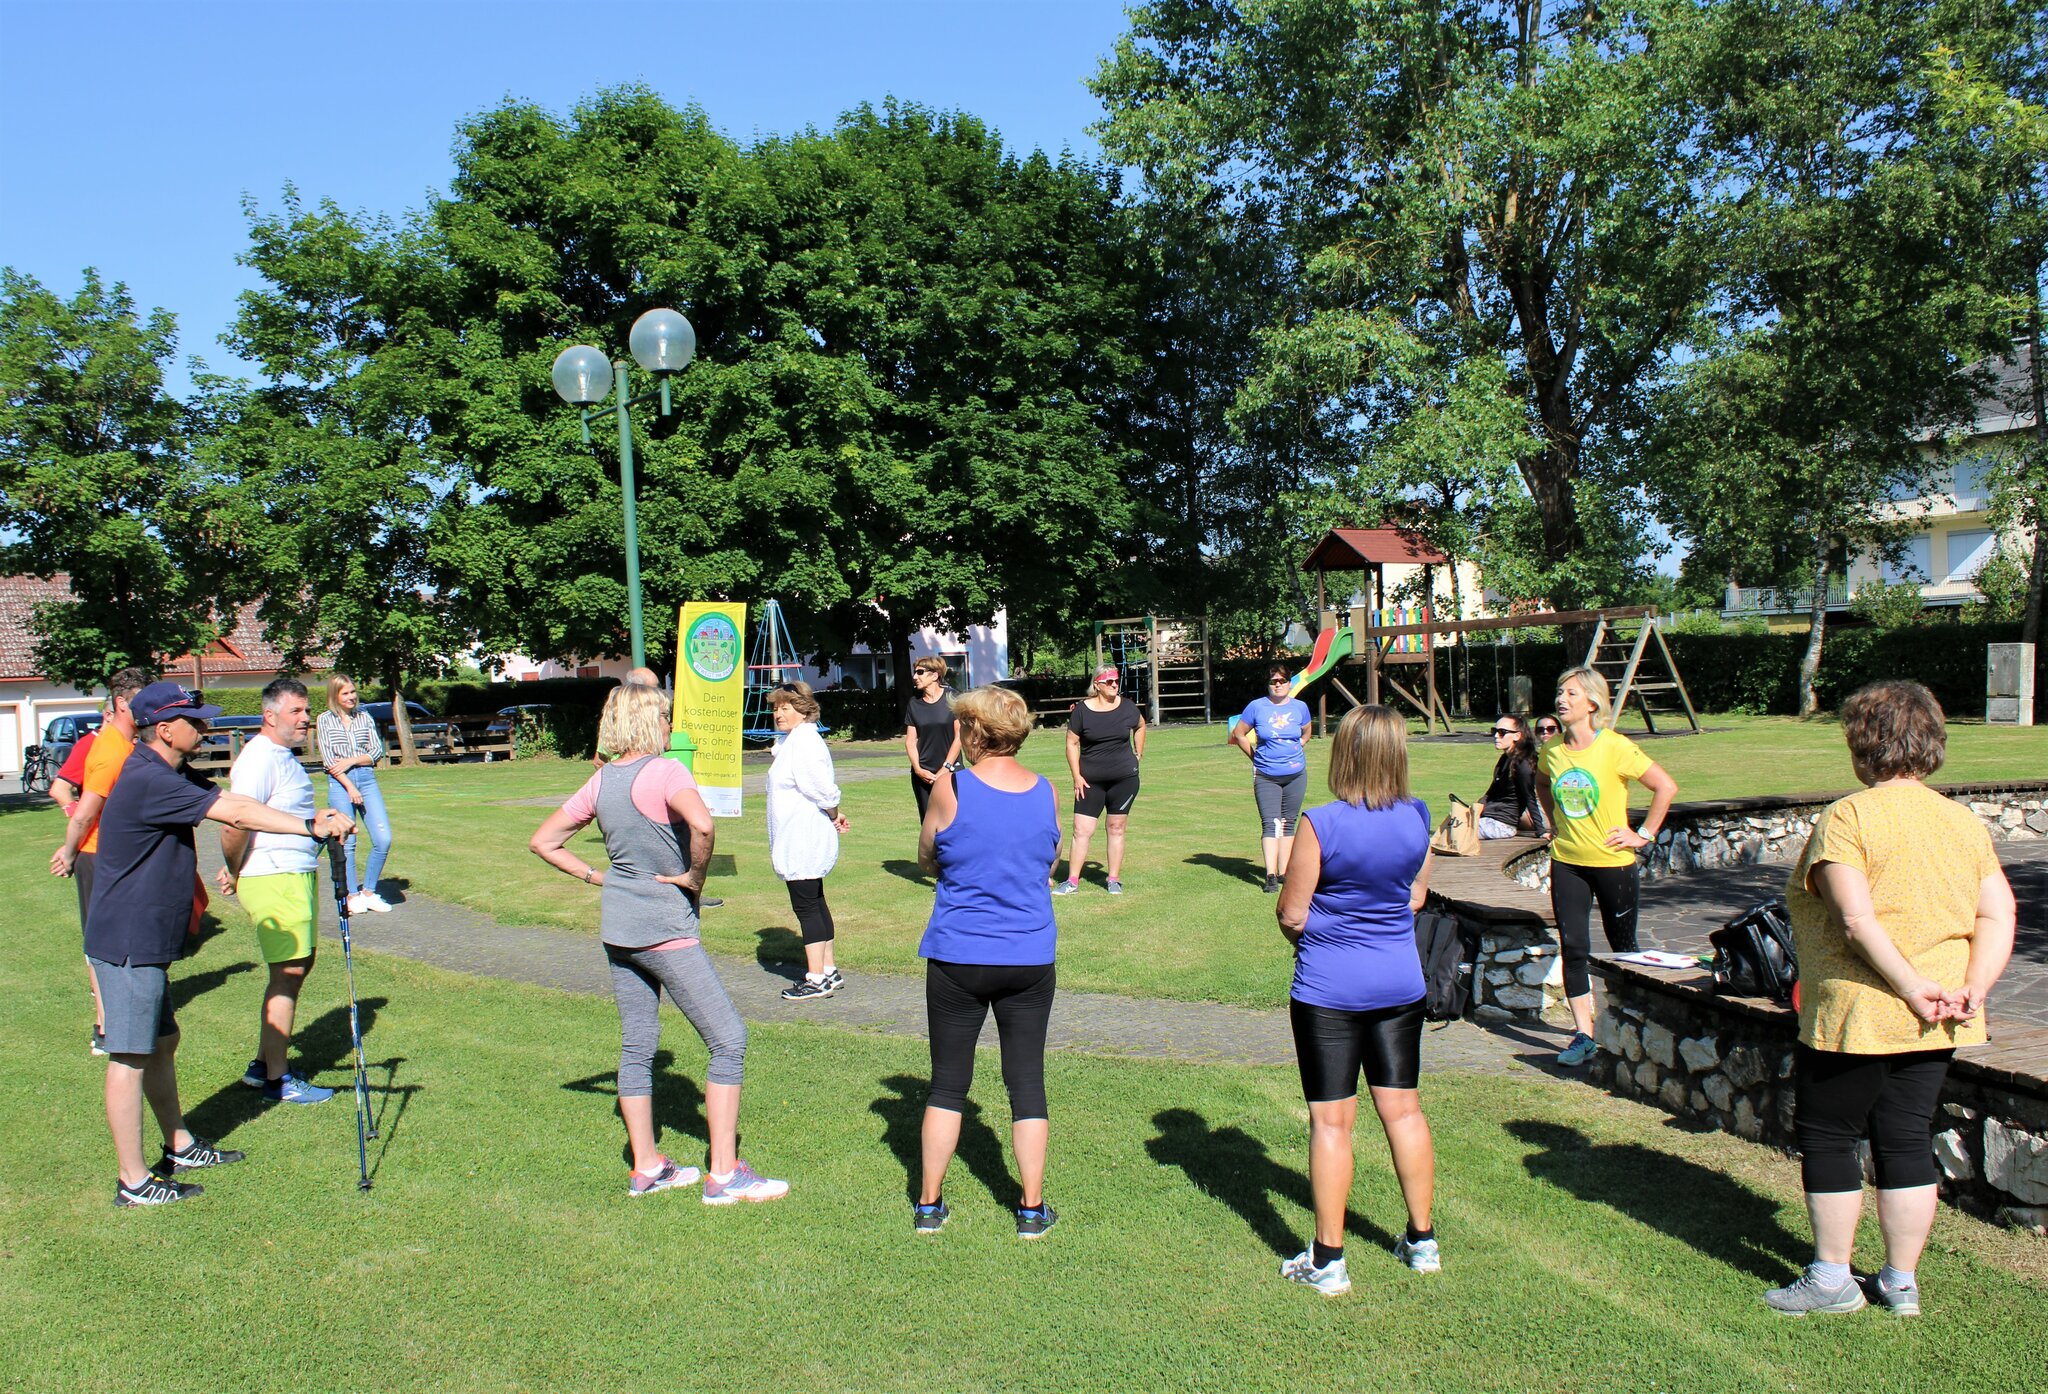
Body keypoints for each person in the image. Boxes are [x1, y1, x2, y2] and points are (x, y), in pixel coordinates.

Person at [1764, 681, 2015, 1317]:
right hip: (1939, 1016)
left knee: (1828, 1134)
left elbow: (1854, 920)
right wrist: (1972, 989)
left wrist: (1908, 986)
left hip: (1859, 1012)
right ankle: (1901, 1282)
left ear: (1861, 746)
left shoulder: (1848, 817)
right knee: (1905, 1137)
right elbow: (1998, 912)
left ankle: (1831, 1279)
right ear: (1931, 741)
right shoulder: (1961, 821)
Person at [54, 682, 354, 1206]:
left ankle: (180, 1144)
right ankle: (133, 1180)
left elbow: (233, 798)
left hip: (147, 936)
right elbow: (235, 816)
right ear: (164, 730)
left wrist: (310, 820)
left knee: (162, 1042)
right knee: (128, 1056)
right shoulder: (148, 777)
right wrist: (309, 825)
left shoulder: (169, 769)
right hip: (129, 937)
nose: (206, 727)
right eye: (195, 721)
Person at [529, 683, 788, 1204]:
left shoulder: (602, 780)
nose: (671, 726)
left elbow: (544, 841)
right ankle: (723, 1174)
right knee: (728, 1040)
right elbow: (703, 823)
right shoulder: (667, 770)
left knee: (637, 1045)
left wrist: (596, 877)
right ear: (649, 721)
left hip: (619, 928)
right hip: (663, 928)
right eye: (666, 717)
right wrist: (694, 876)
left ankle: (647, 1167)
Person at [1274, 704, 1440, 1294]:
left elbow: (1292, 911)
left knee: (1332, 1121)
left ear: (1345, 753)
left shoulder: (1322, 823)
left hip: (1330, 989)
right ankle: (1422, 1241)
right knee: (1404, 1110)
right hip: (1400, 982)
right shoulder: (1418, 815)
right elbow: (1416, 895)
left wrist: (1320, 926)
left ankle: (1329, 1258)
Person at [914, 685, 1062, 1238]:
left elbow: (928, 854)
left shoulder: (951, 787)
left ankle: (929, 1205)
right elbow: (1048, 856)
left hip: (958, 954)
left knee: (948, 1084)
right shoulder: (1045, 791)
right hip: (1027, 955)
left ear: (975, 733)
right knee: (1027, 1082)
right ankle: (1030, 1209)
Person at [1535, 665, 1677, 1067]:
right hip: (1568, 863)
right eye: (1560, 693)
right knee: (1574, 948)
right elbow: (1543, 783)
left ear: (1593, 703)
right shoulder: (1552, 750)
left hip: (1614, 864)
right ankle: (1584, 1036)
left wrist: (1643, 835)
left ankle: (1637, 1028)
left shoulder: (1615, 747)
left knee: (1624, 950)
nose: (1562, 700)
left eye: (1572, 694)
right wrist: (1552, 822)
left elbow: (1665, 786)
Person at [218, 677, 335, 1104]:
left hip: (293, 872)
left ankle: (263, 1066)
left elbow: (283, 811)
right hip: (274, 875)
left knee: (298, 968)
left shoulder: (281, 756)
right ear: (270, 716)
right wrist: (234, 870)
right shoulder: (258, 758)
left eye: (307, 711)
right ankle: (277, 1081)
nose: (307, 719)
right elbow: (236, 820)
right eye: (297, 712)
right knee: (286, 974)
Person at [51, 667, 153, 1056]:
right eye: (141, 698)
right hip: (98, 855)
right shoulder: (107, 748)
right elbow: (77, 804)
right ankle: (105, 1027)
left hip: (118, 854)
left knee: (122, 942)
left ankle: (120, 1018)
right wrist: (71, 849)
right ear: (122, 703)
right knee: (101, 944)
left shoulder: (129, 744)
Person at [766, 681, 851, 1002]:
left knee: (807, 905)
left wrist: (834, 813)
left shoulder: (804, 742)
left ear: (803, 709)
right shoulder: (794, 741)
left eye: (786, 707)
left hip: (802, 838)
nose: (779, 713)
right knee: (814, 901)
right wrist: (834, 814)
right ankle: (828, 969)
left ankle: (816, 977)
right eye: (776, 707)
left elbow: (822, 788)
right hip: (798, 834)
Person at [1053, 667, 1145, 896]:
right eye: (1110, 681)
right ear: (1097, 685)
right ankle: (1072, 880)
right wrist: (1076, 776)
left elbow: (1141, 725)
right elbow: (1071, 743)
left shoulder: (1127, 707)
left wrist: (1138, 753)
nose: (1115, 684)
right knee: (1082, 830)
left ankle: (1113, 879)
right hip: (1089, 781)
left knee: (1116, 828)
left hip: (1124, 779)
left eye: (1116, 680)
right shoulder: (1082, 711)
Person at [1229, 665, 1315, 893]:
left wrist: (1299, 747)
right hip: (1267, 775)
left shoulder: (1300, 707)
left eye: (1283, 680)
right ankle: (1270, 876)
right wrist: (1254, 757)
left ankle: (1284, 872)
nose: (1278, 684)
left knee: (1288, 822)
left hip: (1296, 774)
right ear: (1268, 684)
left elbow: (1306, 731)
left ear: (1289, 683)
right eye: (1273, 681)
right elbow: (1238, 734)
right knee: (1271, 823)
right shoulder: (1256, 707)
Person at [317, 675, 396, 914]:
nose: (351, 697)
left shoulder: (364, 717)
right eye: (345, 693)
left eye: (352, 692)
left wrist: (352, 760)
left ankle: (369, 892)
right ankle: (352, 895)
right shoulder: (325, 720)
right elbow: (330, 760)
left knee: (383, 839)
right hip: (341, 783)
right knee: (348, 840)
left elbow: (376, 751)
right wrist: (350, 787)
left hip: (367, 778)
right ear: (335, 696)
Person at [903, 656, 962, 824]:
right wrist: (918, 770)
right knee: (929, 824)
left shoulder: (953, 698)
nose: (915, 676)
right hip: (923, 776)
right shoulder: (914, 704)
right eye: (915, 672)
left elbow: (959, 736)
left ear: (935, 675)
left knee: (954, 822)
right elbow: (910, 741)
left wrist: (946, 767)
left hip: (951, 772)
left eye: (920, 672)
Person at [1476, 713, 1546, 839]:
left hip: (1502, 825)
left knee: (1456, 833)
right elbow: (1491, 792)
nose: (1496, 736)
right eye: (1494, 731)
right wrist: (1474, 810)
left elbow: (1529, 797)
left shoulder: (1523, 763)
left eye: (1502, 732)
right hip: (1489, 819)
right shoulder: (1505, 759)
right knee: (1454, 825)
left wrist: (1541, 831)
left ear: (1517, 736)